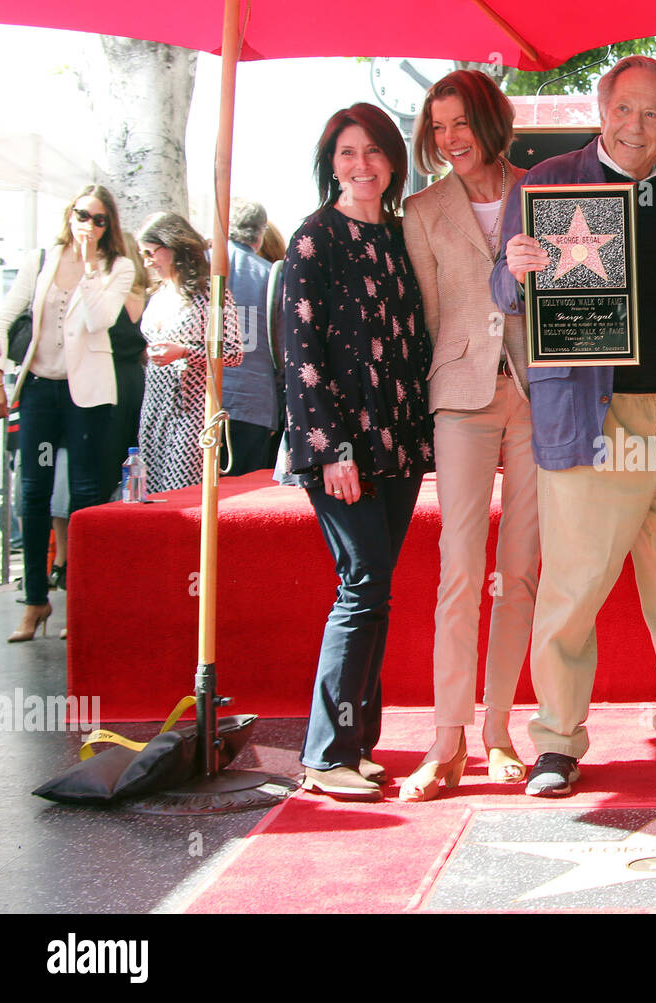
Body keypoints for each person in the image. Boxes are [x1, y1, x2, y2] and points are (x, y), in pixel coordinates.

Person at [491, 55, 656, 797]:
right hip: (594, 416)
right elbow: (502, 290)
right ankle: (556, 742)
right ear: (601, 109)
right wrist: (516, 267)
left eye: (653, 114)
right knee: (574, 587)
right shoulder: (549, 182)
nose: (636, 126)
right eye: (625, 109)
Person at [285, 103, 433, 801]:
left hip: (398, 439)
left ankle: (358, 744)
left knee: (376, 586)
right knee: (363, 582)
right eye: (347, 152)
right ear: (331, 163)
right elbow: (300, 353)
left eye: (373, 150)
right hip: (339, 446)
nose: (361, 164)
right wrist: (332, 449)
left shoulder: (402, 237)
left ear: (393, 162)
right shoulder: (314, 238)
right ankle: (326, 754)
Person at [399, 70, 537, 800]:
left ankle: (500, 731)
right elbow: (428, 316)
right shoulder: (421, 209)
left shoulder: (542, 190)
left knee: (520, 570)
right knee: (459, 567)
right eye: (438, 126)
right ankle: (446, 738)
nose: (449, 138)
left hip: (538, 394)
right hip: (460, 395)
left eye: (460, 122)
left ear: (489, 121)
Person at [0, 185, 135, 643]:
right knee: (33, 492)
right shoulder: (42, 260)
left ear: (108, 225)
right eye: (82, 215)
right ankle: (35, 600)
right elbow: (6, 316)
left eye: (98, 219)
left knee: (85, 494)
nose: (88, 225)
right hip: (41, 391)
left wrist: (91, 265)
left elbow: (100, 320)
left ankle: (81, 601)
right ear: (69, 214)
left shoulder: (117, 267)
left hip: (86, 398)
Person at [135, 212, 243, 494]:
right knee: (152, 492)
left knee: (184, 492)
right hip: (154, 403)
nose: (146, 262)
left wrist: (183, 352)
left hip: (191, 408)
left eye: (150, 253)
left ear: (172, 247)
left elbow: (234, 353)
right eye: (142, 254)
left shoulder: (211, 294)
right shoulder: (157, 294)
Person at [221, 198, 280, 475]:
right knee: (244, 488)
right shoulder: (268, 275)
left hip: (203, 401)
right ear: (260, 232)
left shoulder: (205, 265)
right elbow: (282, 347)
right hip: (254, 403)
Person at [100, 234, 149, 500]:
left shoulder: (107, 299)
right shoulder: (149, 298)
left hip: (110, 380)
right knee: (132, 451)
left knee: (106, 456)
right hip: (137, 382)